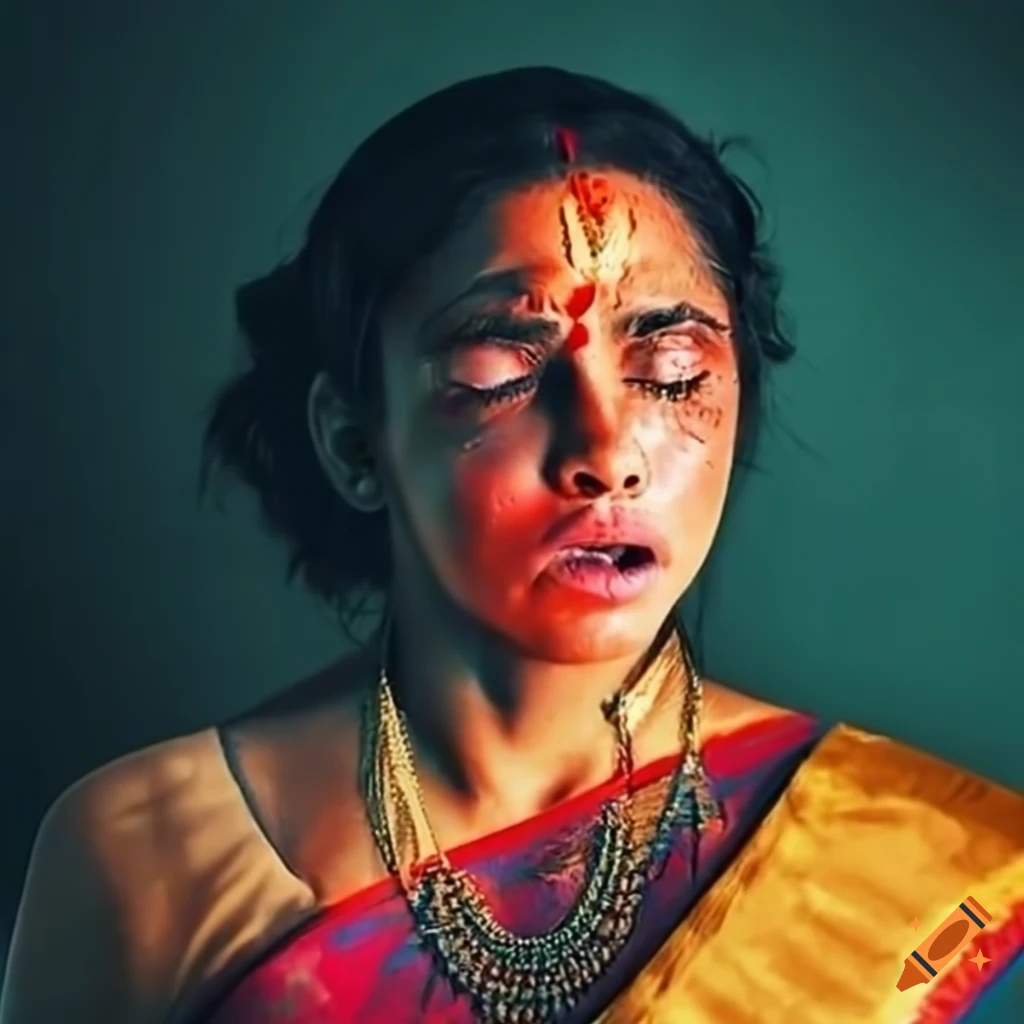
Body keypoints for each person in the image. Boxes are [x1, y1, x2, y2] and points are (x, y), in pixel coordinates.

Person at [2, 66, 1022, 1024]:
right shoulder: (148, 858)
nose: (607, 452)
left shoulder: (927, 865)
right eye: (500, 369)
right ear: (356, 443)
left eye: (669, 369)